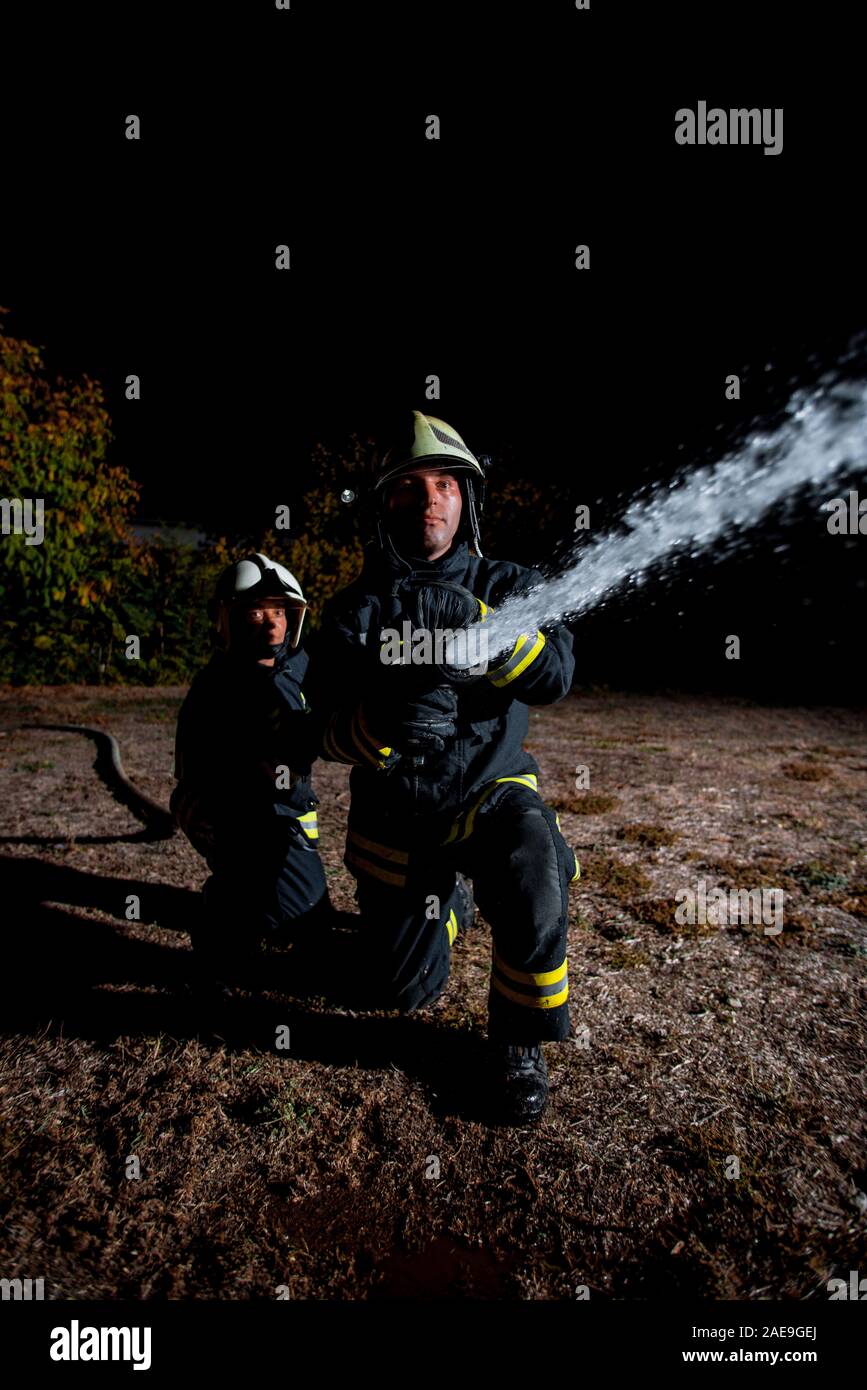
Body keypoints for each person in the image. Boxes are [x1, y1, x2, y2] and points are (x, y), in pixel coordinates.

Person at [304, 411, 580, 1122]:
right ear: (385, 506)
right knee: (398, 992)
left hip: (489, 794)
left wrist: (492, 636)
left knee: (527, 861)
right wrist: (373, 728)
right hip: (398, 819)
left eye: (445, 484)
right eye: (409, 486)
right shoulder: (352, 613)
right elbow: (316, 728)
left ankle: (518, 1041)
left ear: (467, 501)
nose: (429, 498)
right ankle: (446, 905)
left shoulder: (510, 583)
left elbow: (553, 676)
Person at [170, 552, 330, 1004]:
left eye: (280, 611)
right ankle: (219, 935)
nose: (271, 624)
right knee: (299, 924)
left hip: (281, 813)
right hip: (232, 813)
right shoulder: (222, 687)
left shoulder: (295, 668)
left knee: (306, 917)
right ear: (228, 620)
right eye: (256, 612)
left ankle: (244, 903)